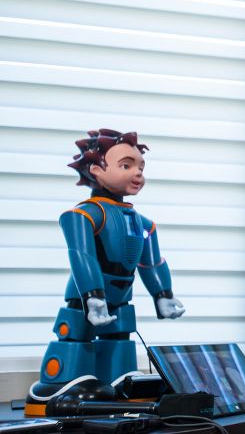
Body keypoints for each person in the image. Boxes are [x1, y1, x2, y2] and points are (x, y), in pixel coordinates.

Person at [26, 129, 185, 414]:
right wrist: (93, 295)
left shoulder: (143, 223)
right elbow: (81, 256)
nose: (137, 173)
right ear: (96, 169)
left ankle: (118, 378)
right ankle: (64, 382)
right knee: (76, 335)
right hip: (86, 297)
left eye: (140, 167)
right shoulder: (84, 214)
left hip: (121, 296)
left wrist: (163, 294)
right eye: (126, 166)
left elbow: (151, 263)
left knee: (119, 338)